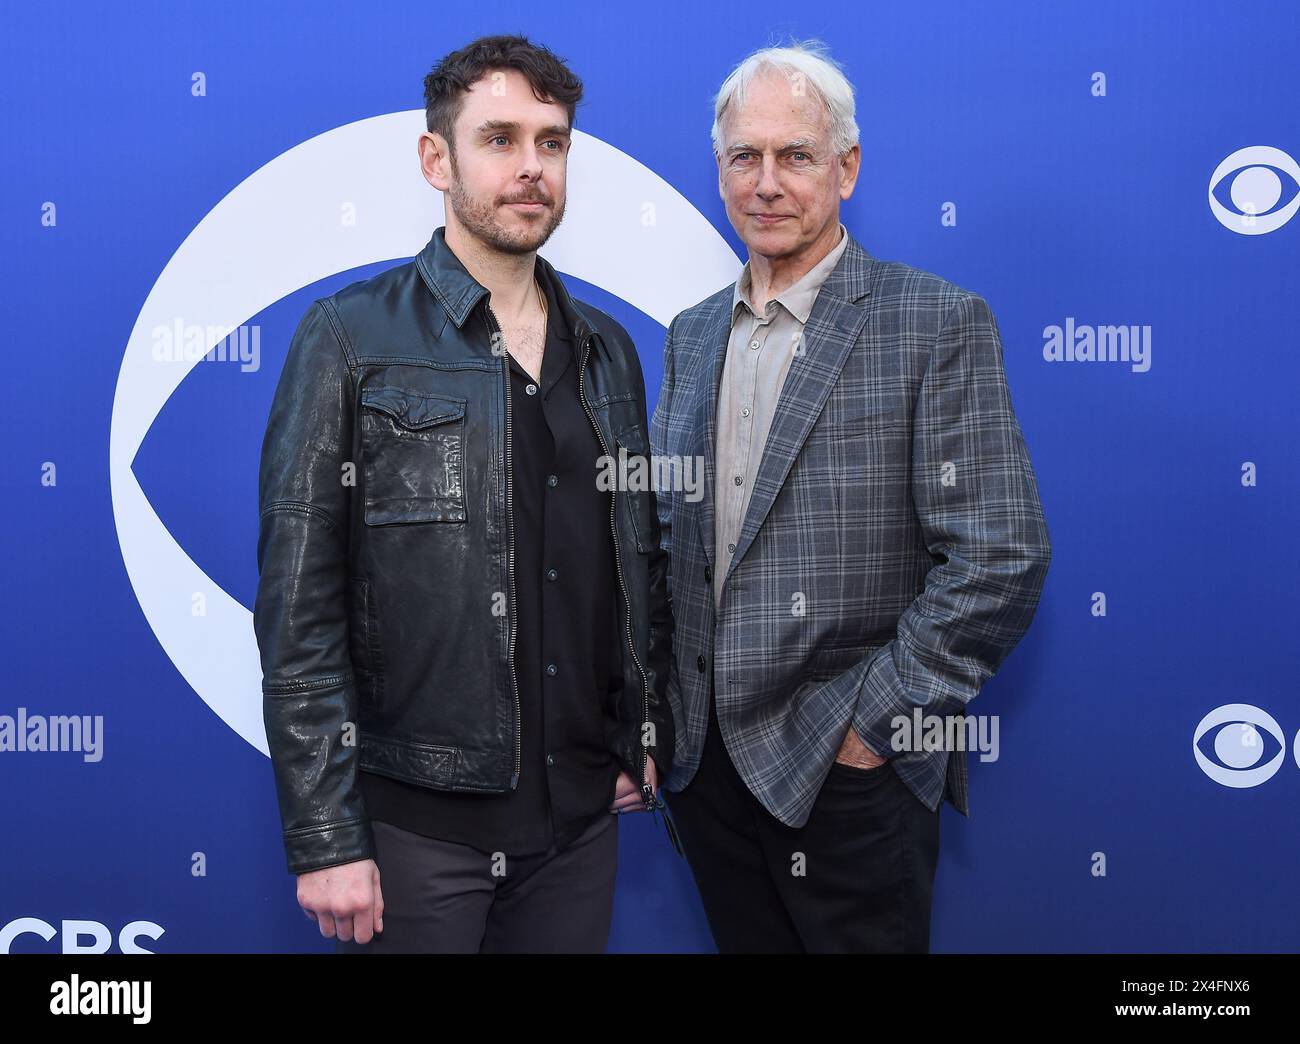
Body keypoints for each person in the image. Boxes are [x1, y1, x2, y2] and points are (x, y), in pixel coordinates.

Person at [253, 33, 674, 954]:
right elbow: (299, 606)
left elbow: (638, 564)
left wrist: (638, 726)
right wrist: (327, 836)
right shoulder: (348, 339)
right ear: (435, 158)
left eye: (552, 142)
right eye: (501, 139)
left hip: (580, 823)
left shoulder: (607, 351)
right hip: (417, 831)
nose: (532, 168)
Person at [650, 39, 1052, 953]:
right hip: (707, 774)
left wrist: (875, 726)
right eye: (744, 157)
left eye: (795, 155)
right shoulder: (692, 334)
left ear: (847, 167)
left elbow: (1001, 553)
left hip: (848, 776)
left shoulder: (934, 321)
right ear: (719, 171)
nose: (767, 182)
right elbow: (669, 540)